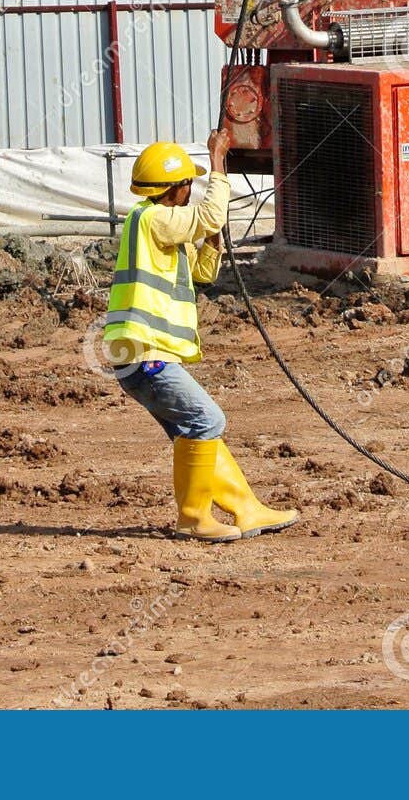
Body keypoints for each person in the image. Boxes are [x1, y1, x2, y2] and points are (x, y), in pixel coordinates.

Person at [102, 128, 300, 543]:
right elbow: (210, 214)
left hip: (143, 354)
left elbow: (202, 274)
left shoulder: (165, 229)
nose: (192, 190)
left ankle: (245, 508)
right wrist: (219, 163)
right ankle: (193, 518)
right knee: (205, 420)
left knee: (192, 429)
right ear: (176, 187)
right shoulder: (152, 219)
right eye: (189, 183)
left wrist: (210, 242)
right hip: (144, 352)